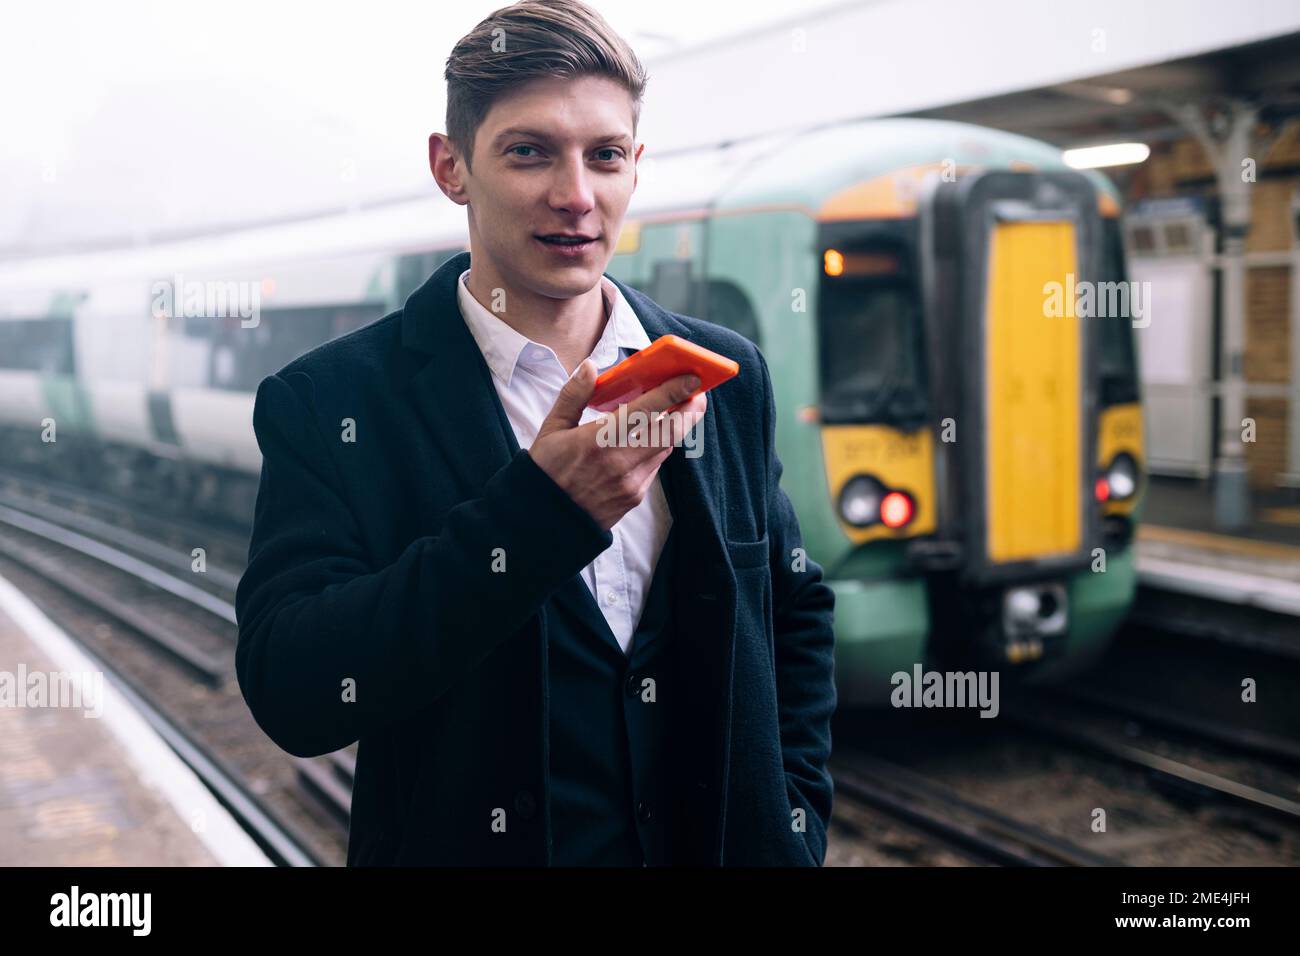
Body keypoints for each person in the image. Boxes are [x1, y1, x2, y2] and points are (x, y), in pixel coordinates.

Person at [234, 0, 836, 866]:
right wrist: (540, 514)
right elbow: (294, 691)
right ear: (451, 168)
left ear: (636, 168)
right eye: (529, 152)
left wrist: (792, 824)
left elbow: (794, 607)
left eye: (605, 155)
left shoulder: (725, 375)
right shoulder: (331, 401)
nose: (576, 196)